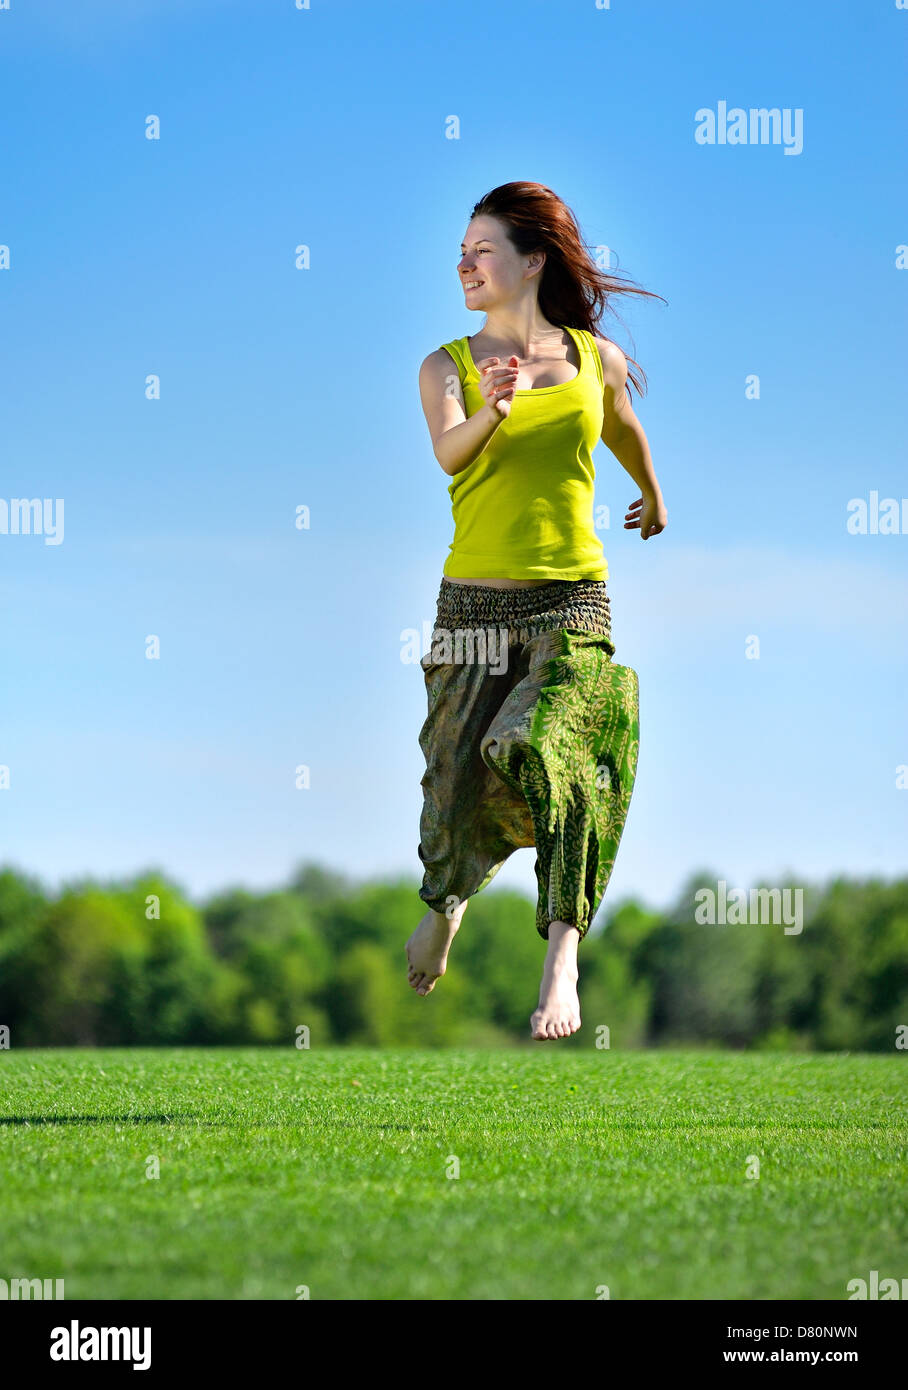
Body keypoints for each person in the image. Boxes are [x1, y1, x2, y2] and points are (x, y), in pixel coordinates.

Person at [407, 181, 667, 1041]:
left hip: (573, 600)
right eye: (462, 251)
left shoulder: (597, 360)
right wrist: (493, 408)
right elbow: (450, 454)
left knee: (550, 752)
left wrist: (651, 492)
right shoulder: (447, 363)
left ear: (531, 261)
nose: (465, 264)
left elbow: (619, 422)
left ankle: (563, 954)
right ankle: (448, 901)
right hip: (472, 607)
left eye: (481, 250)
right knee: (454, 781)